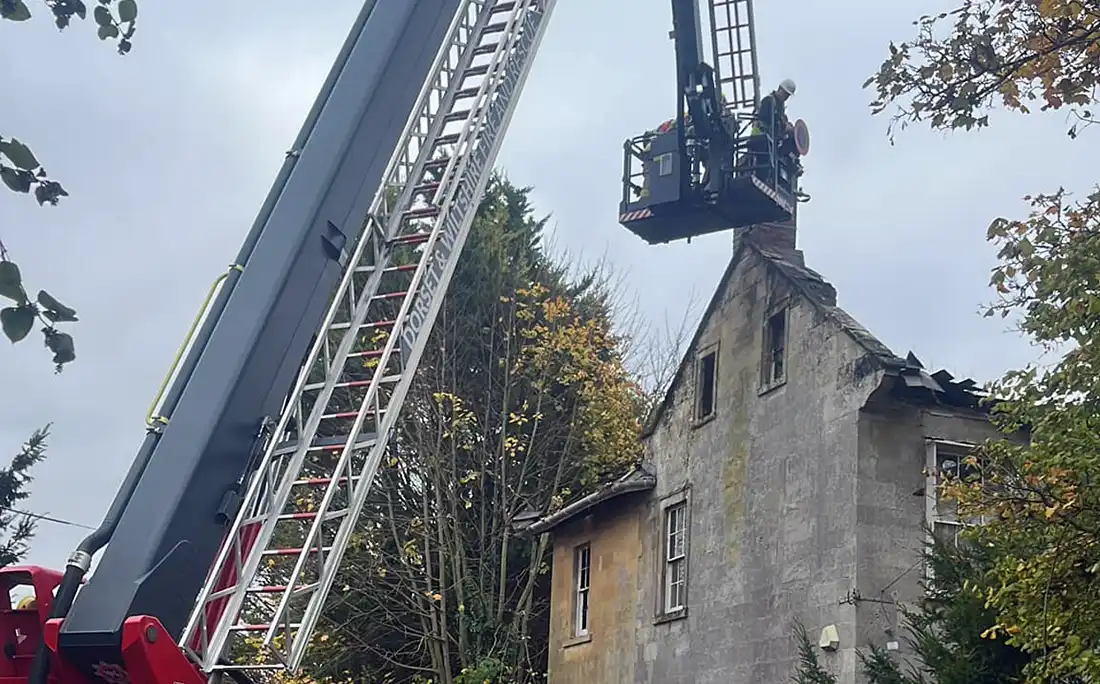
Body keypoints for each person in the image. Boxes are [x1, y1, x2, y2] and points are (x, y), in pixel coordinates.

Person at [748, 79, 797, 185]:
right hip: (760, 137)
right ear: (780, 89)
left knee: (788, 146)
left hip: (771, 141)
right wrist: (784, 126)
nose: (786, 97)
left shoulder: (780, 109)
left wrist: (789, 129)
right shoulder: (769, 101)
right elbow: (767, 118)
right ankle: (764, 180)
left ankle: (788, 169)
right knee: (765, 163)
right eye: (785, 94)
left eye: (788, 95)